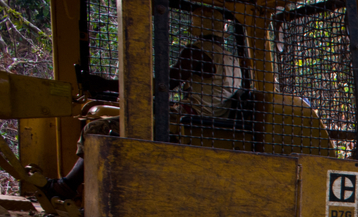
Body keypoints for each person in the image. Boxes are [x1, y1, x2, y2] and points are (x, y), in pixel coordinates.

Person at [43, 6, 241, 200]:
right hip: (213, 123)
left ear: (196, 27)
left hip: (189, 124)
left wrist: (107, 85)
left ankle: (67, 187)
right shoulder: (233, 60)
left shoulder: (196, 52)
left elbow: (164, 84)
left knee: (97, 127)